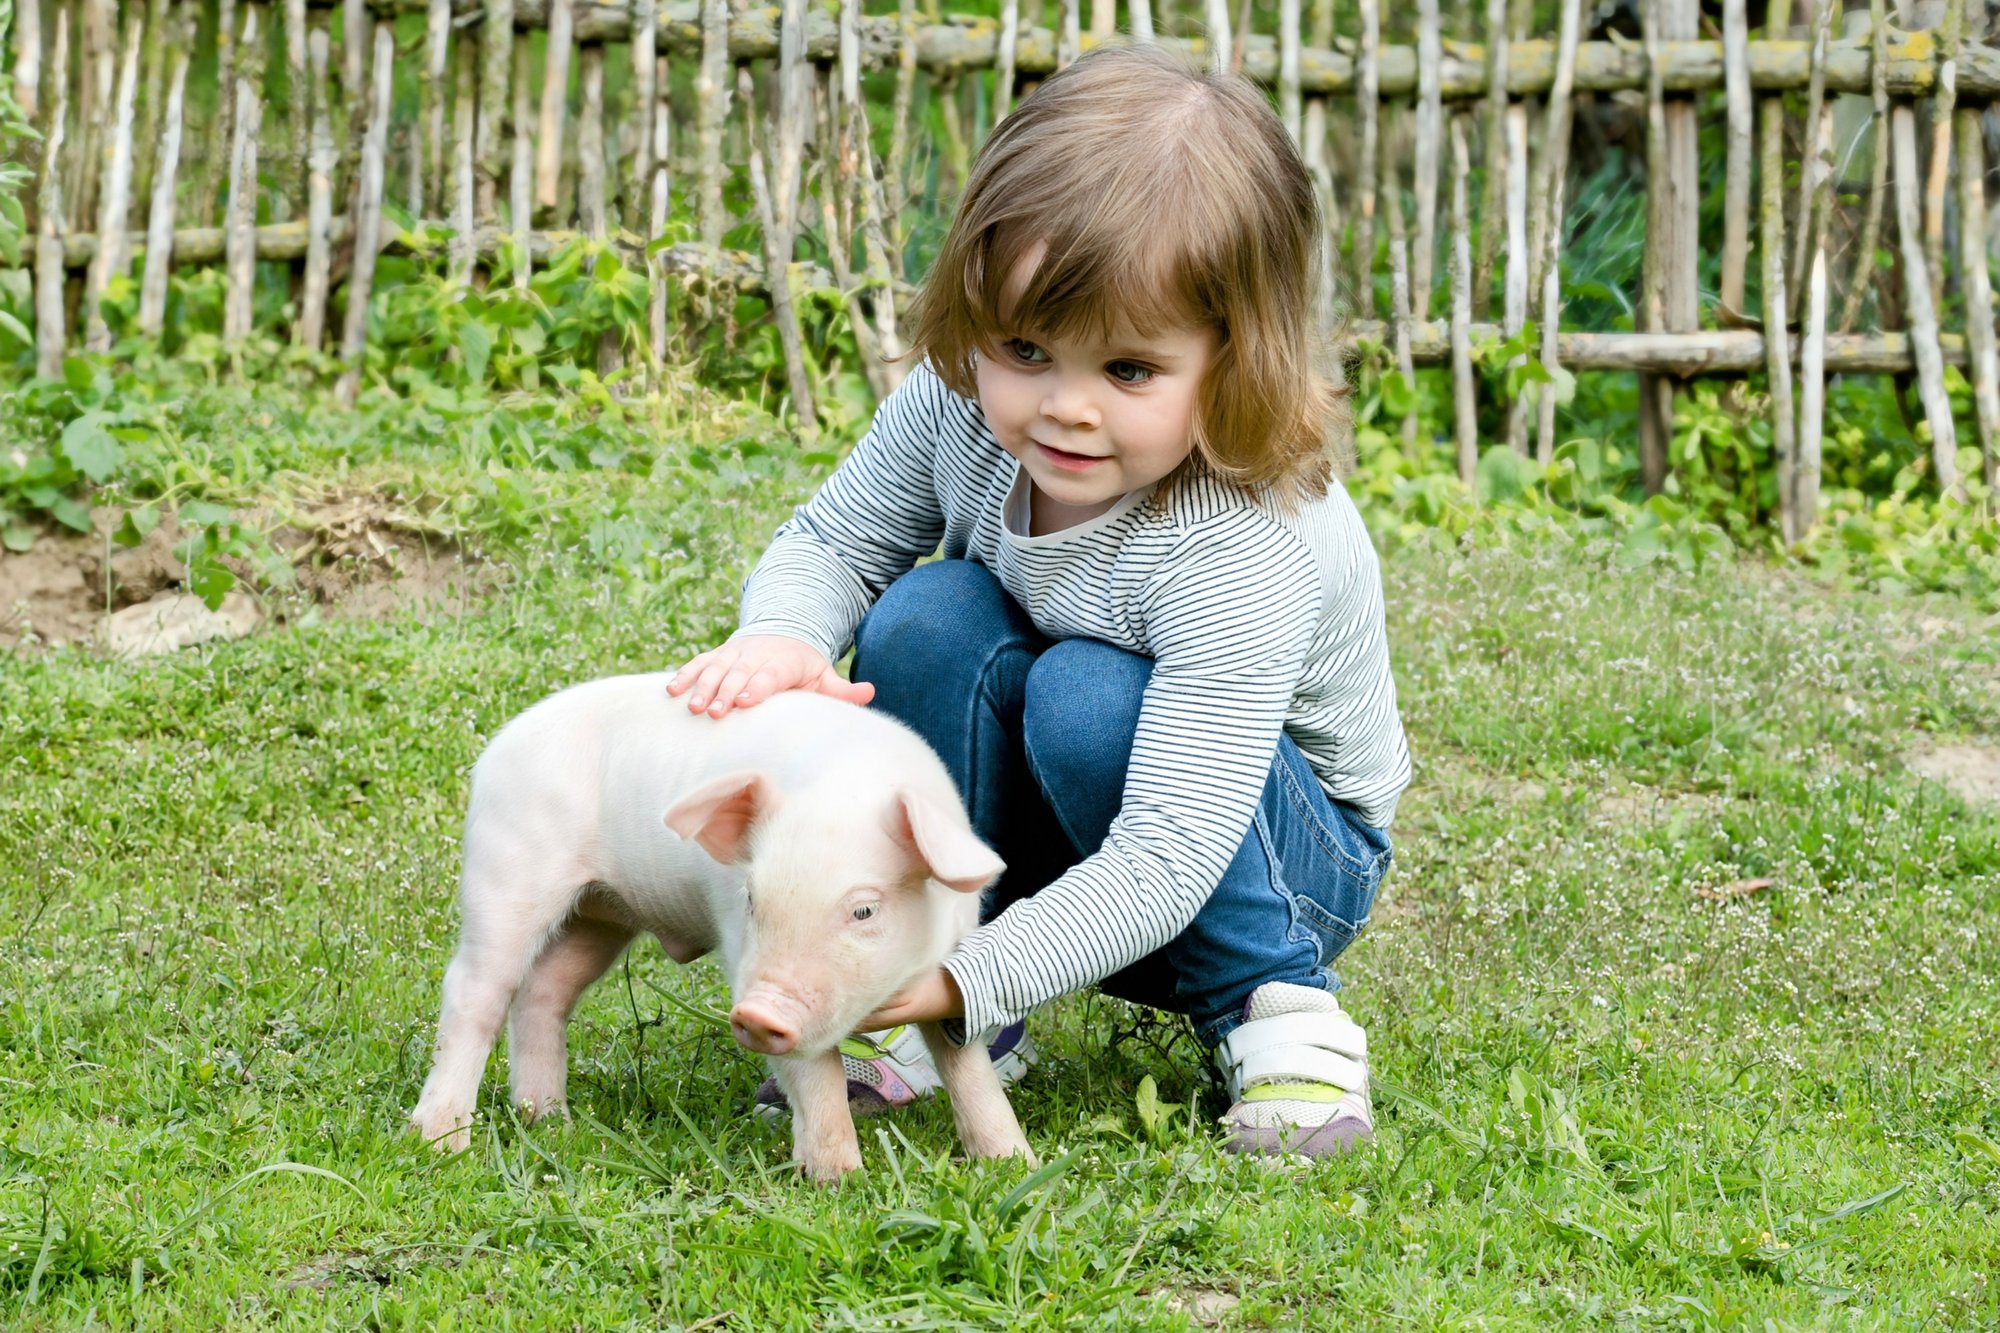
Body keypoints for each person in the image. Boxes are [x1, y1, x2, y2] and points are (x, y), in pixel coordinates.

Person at [668, 43, 1411, 1157]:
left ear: (1234, 358)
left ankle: (1273, 1011)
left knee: (1081, 696)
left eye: (1127, 371)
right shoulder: (958, 404)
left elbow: (1167, 849)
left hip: (1267, 856)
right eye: (1025, 347)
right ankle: (945, 995)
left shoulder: (1244, 537)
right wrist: (781, 633)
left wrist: (969, 976)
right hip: (1081, 828)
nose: (1064, 408)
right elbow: (834, 537)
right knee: (928, 618)